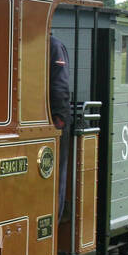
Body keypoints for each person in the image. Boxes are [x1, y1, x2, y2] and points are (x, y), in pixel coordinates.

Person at [49, 34, 71, 221]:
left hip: (48, 119)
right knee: (57, 174)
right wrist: (60, 119)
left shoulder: (54, 46)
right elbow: (60, 87)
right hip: (52, 119)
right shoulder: (55, 45)